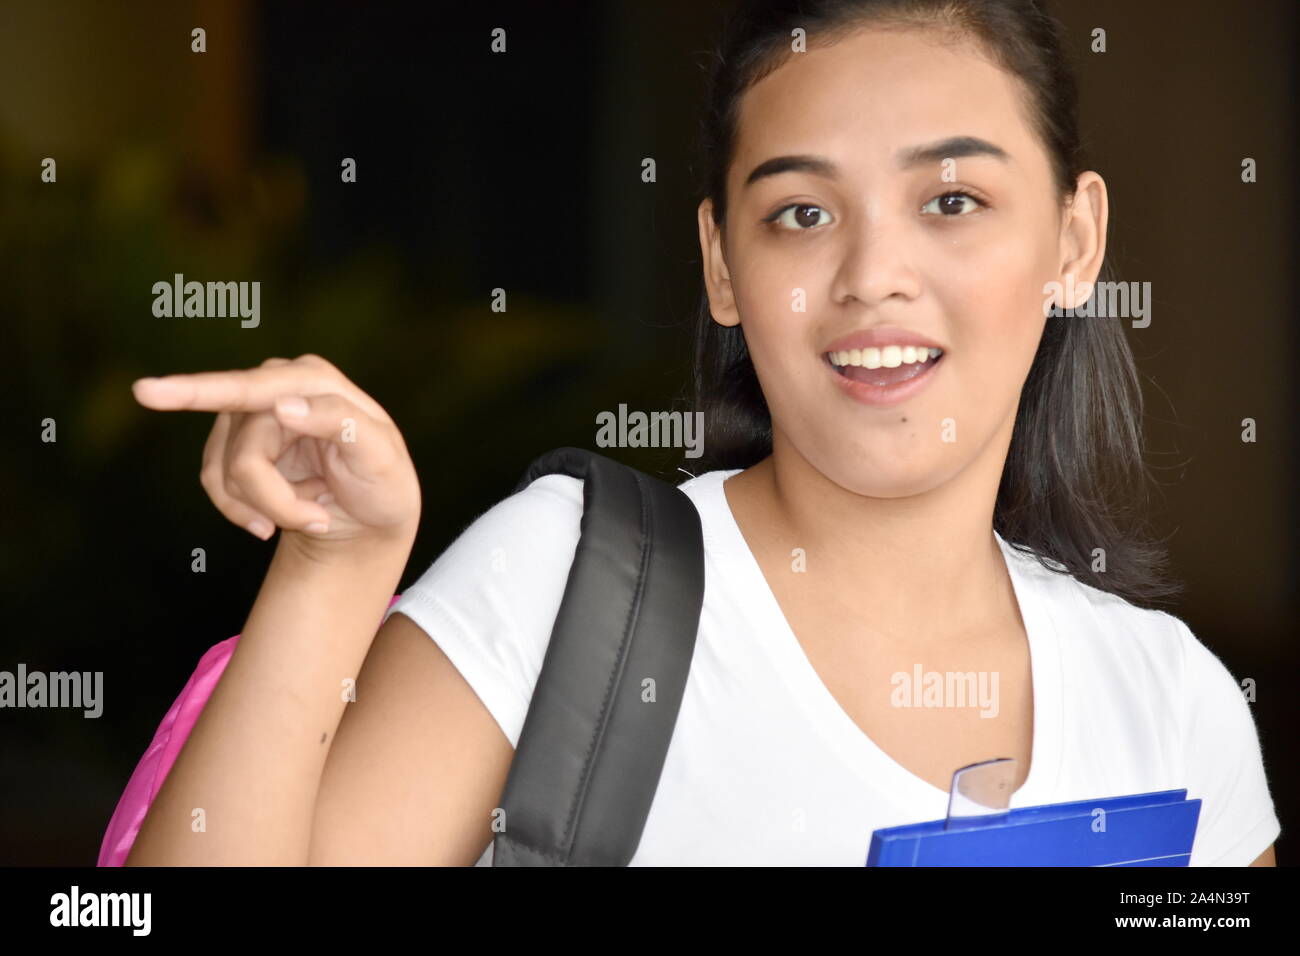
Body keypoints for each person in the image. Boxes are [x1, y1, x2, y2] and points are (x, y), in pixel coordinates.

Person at [124, 0, 1280, 866]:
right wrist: (332, 569)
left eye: (951, 201)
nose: (873, 276)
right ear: (724, 265)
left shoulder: (1175, 707)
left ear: (1074, 243)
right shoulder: (571, 582)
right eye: (801, 213)